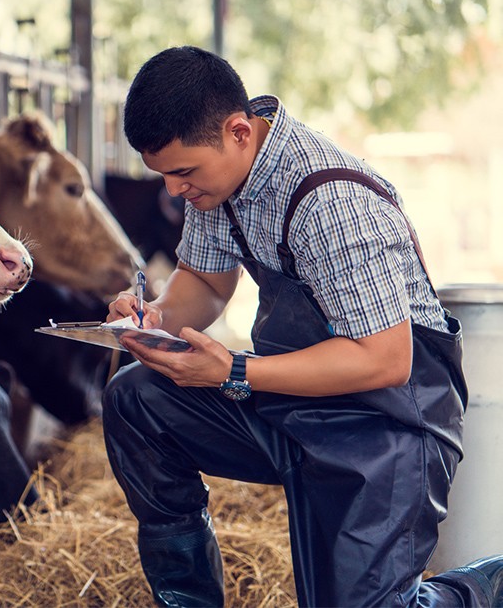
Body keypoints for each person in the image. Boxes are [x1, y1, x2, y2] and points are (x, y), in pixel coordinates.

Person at [103, 45, 503, 607]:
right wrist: (156, 317)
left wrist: (234, 370)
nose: (172, 190)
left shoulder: (331, 202)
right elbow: (207, 283)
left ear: (239, 132)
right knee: (137, 398)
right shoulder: (217, 181)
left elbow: (386, 360)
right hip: (295, 403)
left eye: (182, 172)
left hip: (387, 423)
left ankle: (484, 588)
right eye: (164, 174)